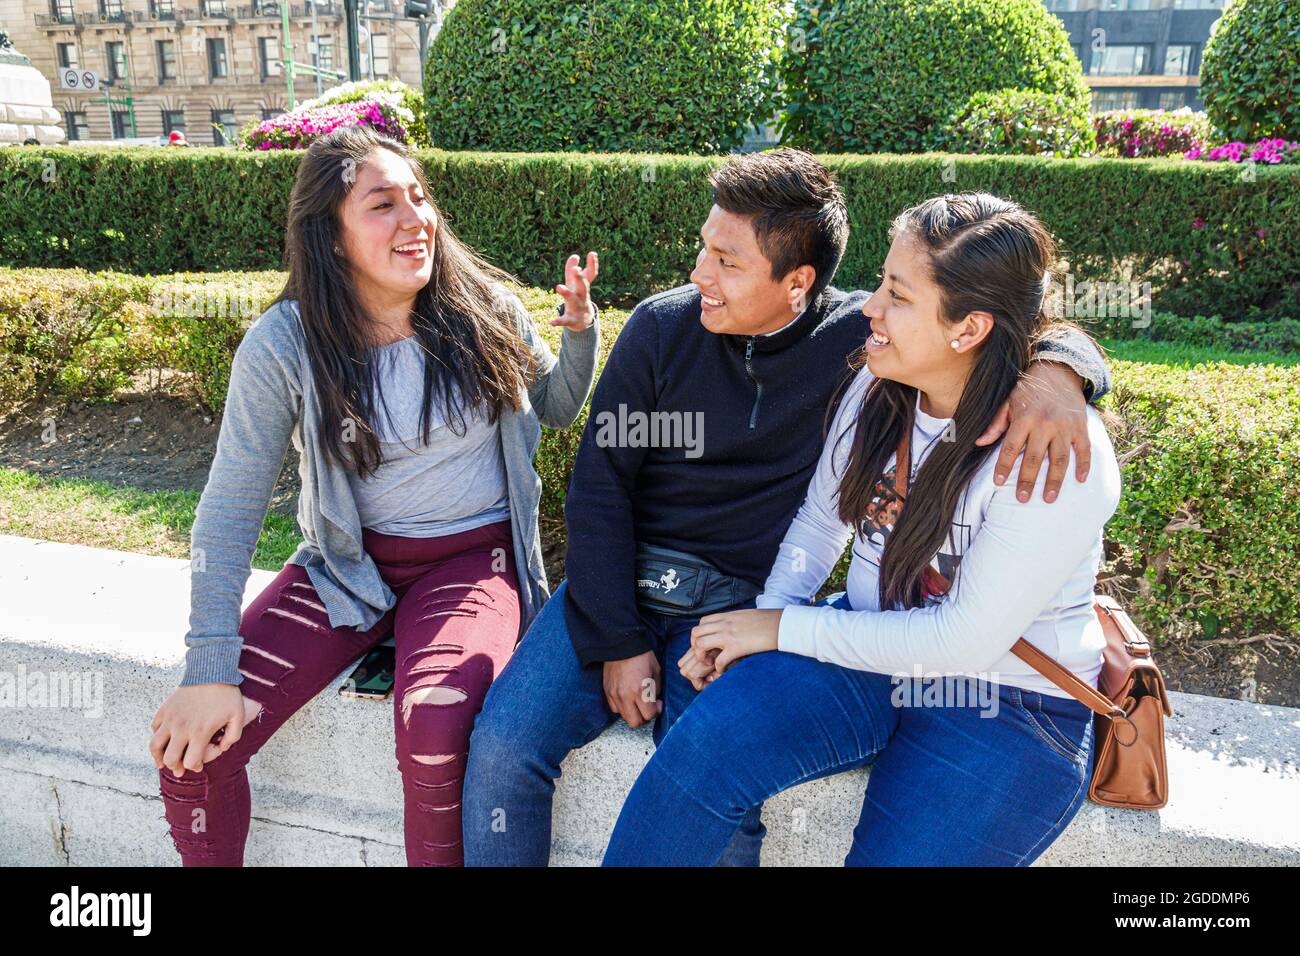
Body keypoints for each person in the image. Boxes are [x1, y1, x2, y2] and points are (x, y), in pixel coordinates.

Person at [462, 151, 1110, 867]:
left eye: (895, 292)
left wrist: (1064, 363)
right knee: (672, 754)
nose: (873, 307)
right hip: (823, 638)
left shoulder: (1041, 447)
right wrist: (735, 632)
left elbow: (960, 641)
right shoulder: (870, 376)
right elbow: (802, 519)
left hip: (996, 703)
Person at [147, 124, 600, 867]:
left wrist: (579, 333)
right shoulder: (284, 343)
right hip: (346, 569)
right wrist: (208, 667)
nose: (416, 218)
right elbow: (228, 511)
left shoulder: (483, 308)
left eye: (419, 198)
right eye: (382, 204)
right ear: (330, 237)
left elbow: (555, 406)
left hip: (471, 565)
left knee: (434, 729)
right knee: (192, 752)